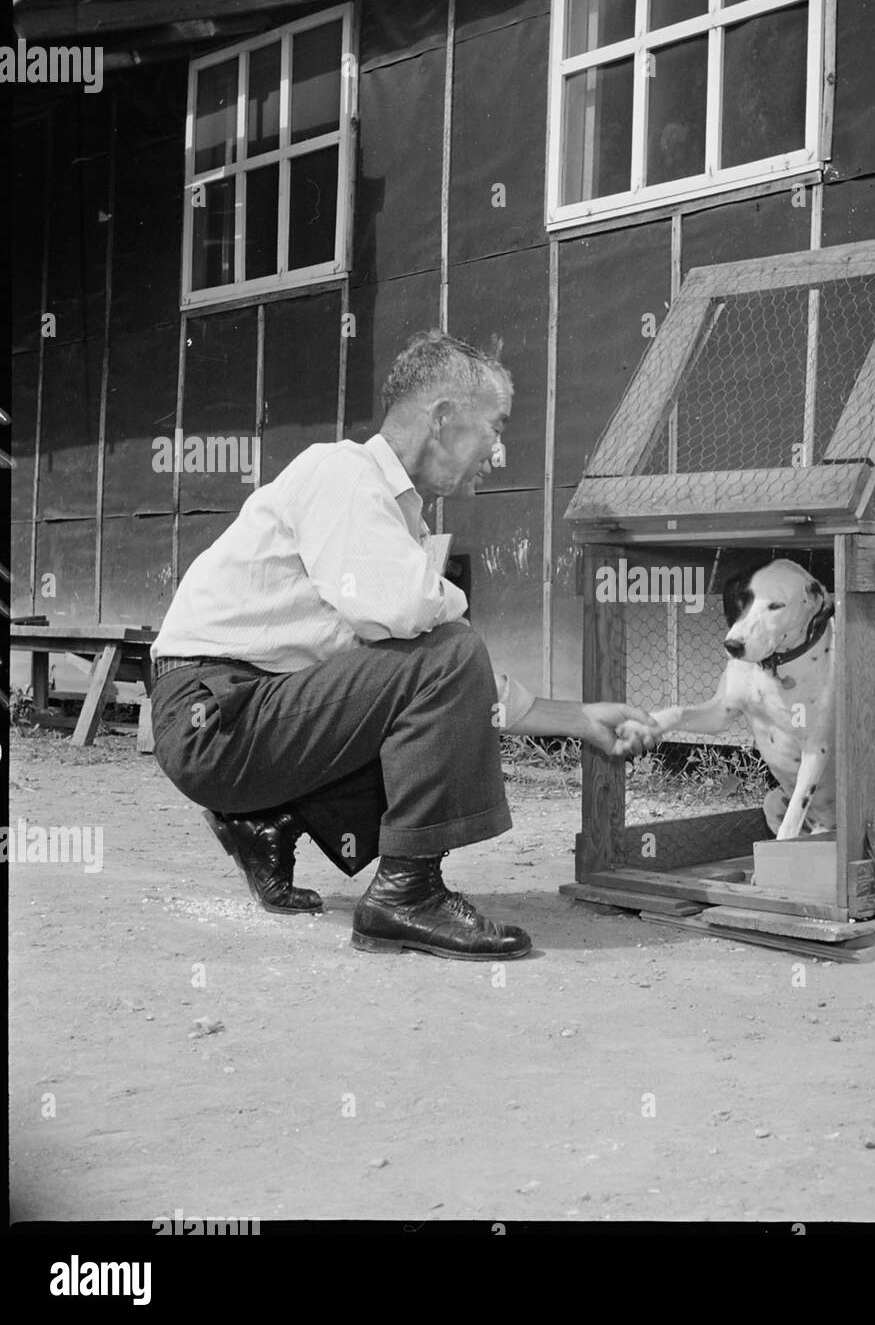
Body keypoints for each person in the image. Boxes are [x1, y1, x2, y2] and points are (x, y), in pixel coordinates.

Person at [148, 329, 660, 961]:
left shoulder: (393, 512)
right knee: (450, 649)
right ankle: (406, 893)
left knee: (444, 658)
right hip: (213, 715)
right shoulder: (342, 472)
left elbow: (417, 676)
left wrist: (578, 718)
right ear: (443, 420)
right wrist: (450, 605)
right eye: (494, 427)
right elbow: (412, 621)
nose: (497, 451)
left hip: (240, 710)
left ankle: (265, 823)